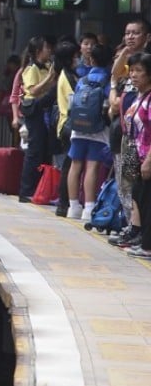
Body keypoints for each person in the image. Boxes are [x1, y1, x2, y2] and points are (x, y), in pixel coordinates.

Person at [108, 19, 150, 244]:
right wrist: (124, 53)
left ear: (147, 36)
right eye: (127, 33)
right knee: (126, 183)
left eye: (136, 33)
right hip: (126, 133)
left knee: (139, 187)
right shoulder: (127, 62)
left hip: (144, 137)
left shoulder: (148, 63)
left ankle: (139, 230)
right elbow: (114, 76)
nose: (131, 37)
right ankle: (132, 227)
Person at [65, 43, 112, 221]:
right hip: (98, 129)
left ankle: (73, 206)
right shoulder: (108, 80)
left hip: (78, 127)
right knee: (92, 166)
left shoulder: (82, 80)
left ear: (91, 59)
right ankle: (89, 208)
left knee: (75, 165)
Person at [17, 36, 57, 203]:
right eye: (46, 48)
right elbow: (33, 91)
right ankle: (26, 190)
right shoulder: (31, 68)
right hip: (34, 110)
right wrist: (49, 77)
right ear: (38, 51)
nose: (49, 51)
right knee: (34, 150)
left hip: (46, 109)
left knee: (44, 149)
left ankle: (41, 188)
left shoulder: (47, 66)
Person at [123, 53, 151, 258]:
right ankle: (142, 239)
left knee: (147, 201)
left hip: (147, 158)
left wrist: (149, 160)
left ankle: (148, 246)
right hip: (138, 156)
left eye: (139, 71)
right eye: (131, 70)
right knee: (139, 197)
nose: (133, 75)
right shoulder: (139, 96)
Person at [51, 39, 81, 216]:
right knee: (69, 165)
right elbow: (75, 99)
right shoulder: (68, 76)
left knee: (69, 165)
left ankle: (64, 203)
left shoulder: (68, 73)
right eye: (76, 56)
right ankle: (63, 203)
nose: (78, 59)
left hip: (66, 124)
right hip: (68, 125)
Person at [0, 54, 21, 147]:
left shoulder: (17, 74)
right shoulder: (9, 74)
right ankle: (15, 146)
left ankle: (15, 146)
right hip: (10, 102)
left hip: (13, 102)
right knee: (13, 128)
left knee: (15, 128)